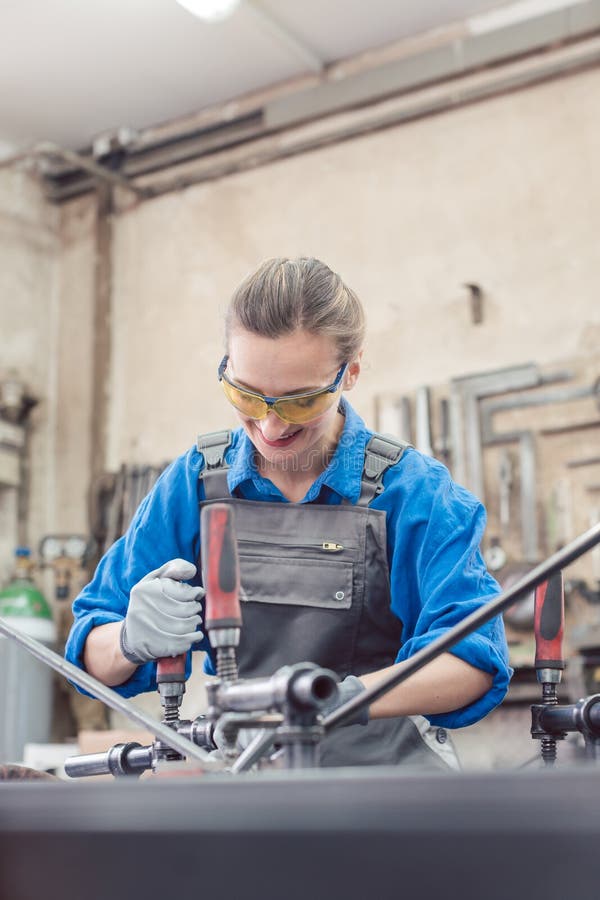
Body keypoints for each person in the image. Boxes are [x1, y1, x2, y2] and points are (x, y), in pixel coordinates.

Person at [66, 256, 512, 769]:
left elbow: (471, 661)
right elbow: (91, 657)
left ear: (351, 373)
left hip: (391, 796)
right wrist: (128, 640)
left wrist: (339, 701)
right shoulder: (195, 485)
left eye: (300, 403)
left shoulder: (414, 493)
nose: (271, 426)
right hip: (250, 787)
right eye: (247, 396)